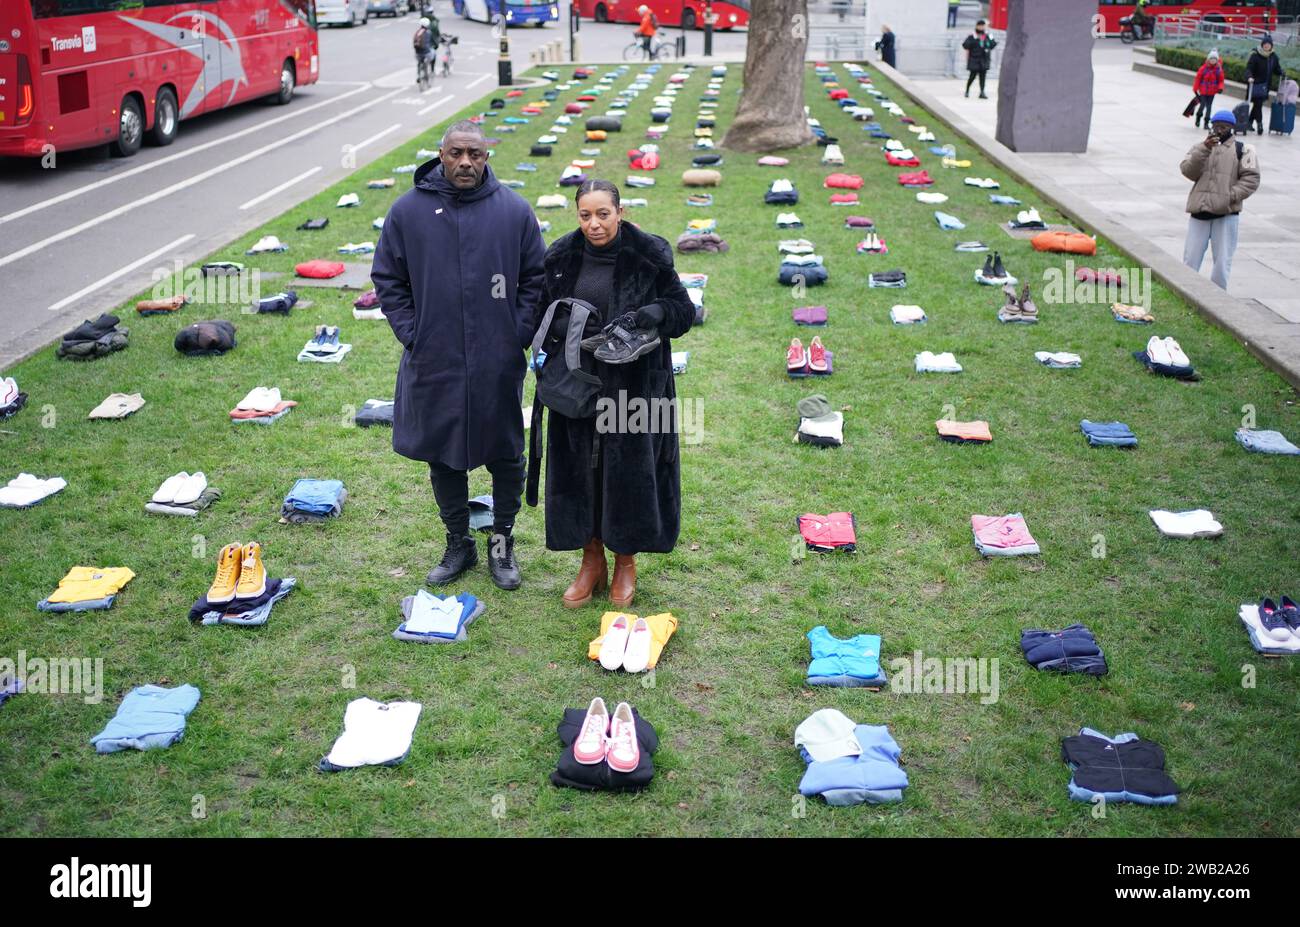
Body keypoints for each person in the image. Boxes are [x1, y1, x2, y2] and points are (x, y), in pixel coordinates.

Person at [372, 120, 546, 590]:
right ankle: (458, 542)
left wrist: (518, 333)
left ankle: (501, 544)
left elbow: (535, 277)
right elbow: (387, 278)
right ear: (441, 154)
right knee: (444, 453)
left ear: (487, 157)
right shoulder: (408, 212)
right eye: (456, 153)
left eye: (475, 154)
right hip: (436, 359)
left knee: (507, 452)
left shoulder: (512, 211)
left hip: (497, 358)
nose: (465, 162)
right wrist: (414, 333)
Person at [529, 180, 694, 609]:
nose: (594, 224)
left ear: (619, 212)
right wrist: (566, 332)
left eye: (603, 214)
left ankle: (625, 563)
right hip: (575, 385)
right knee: (580, 472)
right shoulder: (561, 258)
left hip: (634, 386)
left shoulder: (649, 256)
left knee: (627, 473)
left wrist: (655, 313)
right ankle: (590, 561)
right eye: (585, 215)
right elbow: (541, 315)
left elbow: (683, 310)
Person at [1180, 110, 1261, 289]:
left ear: (1231, 128)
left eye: (1223, 127)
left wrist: (1230, 196)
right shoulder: (1199, 147)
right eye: (1216, 126)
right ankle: (1186, 292)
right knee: (1190, 259)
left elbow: (1251, 178)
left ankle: (1219, 298)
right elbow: (1187, 171)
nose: (1219, 130)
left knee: (1222, 262)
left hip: (1226, 213)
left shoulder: (1244, 150)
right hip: (1199, 212)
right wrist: (1204, 149)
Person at [1246, 36, 1286, 135]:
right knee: (1258, 105)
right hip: (1255, 85)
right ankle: (1260, 124)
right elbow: (1249, 68)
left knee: (1257, 105)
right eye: (1265, 44)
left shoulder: (1273, 56)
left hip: (1265, 86)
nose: (1266, 46)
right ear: (1262, 45)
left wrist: (1281, 72)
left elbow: (1276, 69)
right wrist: (1249, 77)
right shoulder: (1255, 55)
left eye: (1268, 44)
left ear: (1271, 46)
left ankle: (1249, 123)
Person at [962, 20, 997, 99]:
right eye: (980, 26)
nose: (981, 27)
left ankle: (982, 92)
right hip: (974, 60)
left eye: (983, 26)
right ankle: (967, 90)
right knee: (972, 76)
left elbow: (993, 44)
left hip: (984, 60)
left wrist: (989, 40)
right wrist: (975, 40)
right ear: (977, 26)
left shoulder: (987, 35)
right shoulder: (972, 36)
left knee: (983, 77)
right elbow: (965, 45)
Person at [1191, 49, 1225, 129]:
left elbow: (1221, 80)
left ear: (1217, 60)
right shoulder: (1203, 69)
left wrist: (1220, 88)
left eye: (1214, 59)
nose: (1213, 61)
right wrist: (1195, 90)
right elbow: (1198, 79)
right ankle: (1198, 117)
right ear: (1208, 59)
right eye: (1211, 59)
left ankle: (1206, 122)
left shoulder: (1218, 70)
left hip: (1212, 92)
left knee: (1209, 107)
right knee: (1202, 105)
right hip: (1203, 91)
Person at [412, 16, 437, 80]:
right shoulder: (429, 32)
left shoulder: (417, 32)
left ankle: (419, 75)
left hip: (418, 53)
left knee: (419, 62)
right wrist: (436, 46)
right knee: (434, 53)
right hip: (427, 53)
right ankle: (432, 70)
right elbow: (434, 42)